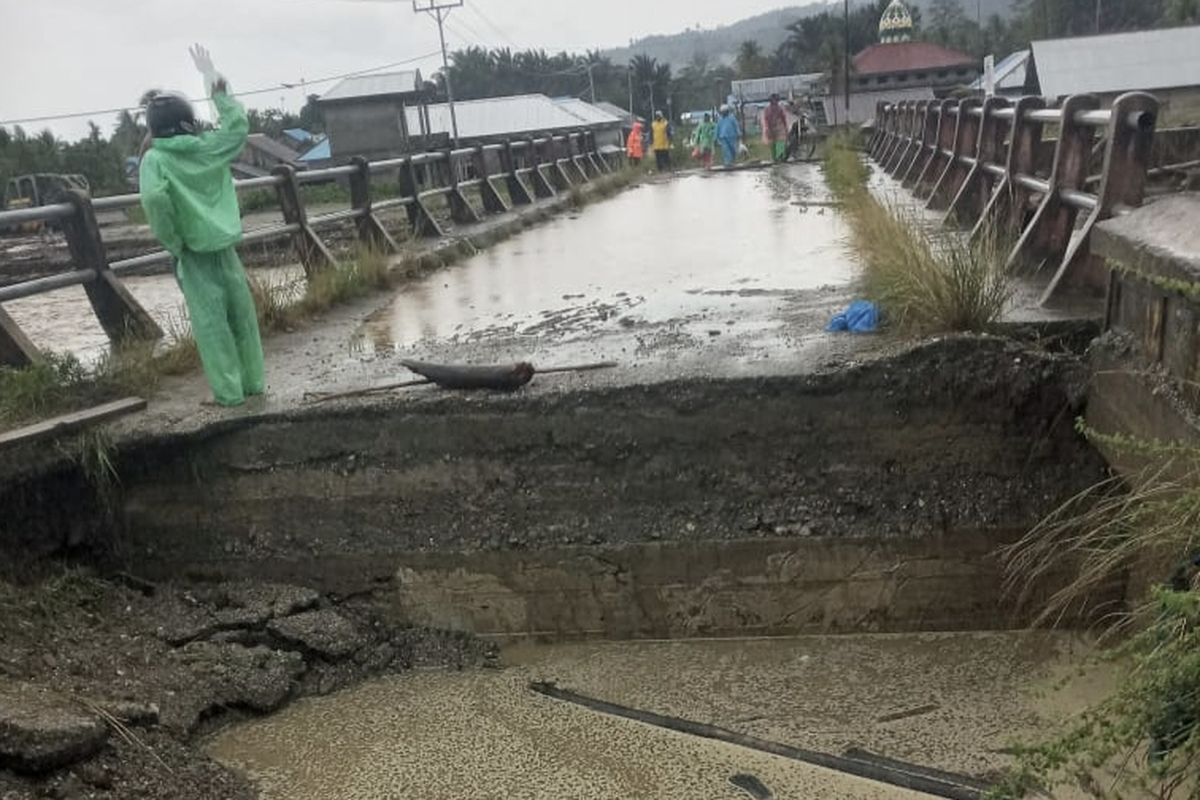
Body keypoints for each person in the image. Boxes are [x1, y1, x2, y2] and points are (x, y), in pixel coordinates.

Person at [139, 45, 264, 407]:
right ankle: (254, 383)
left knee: (212, 325)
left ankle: (228, 393)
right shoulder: (209, 147)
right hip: (224, 246)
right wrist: (215, 84)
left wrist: (174, 241)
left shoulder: (155, 160)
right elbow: (237, 127)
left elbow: (155, 200)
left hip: (193, 252)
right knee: (242, 317)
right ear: (188, 120)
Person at [763, 93, 789, 163]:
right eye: (773, 101)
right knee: (772, 144)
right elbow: (766, 120)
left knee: (780, 142)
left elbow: (783, 118)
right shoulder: (767, 110)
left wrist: (786, 127)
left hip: (779, 127)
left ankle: (780, 156)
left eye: (776, 101)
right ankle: (775, 158)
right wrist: (767, 128)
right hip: (771, 127)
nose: (774, 103)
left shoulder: (780, 109)